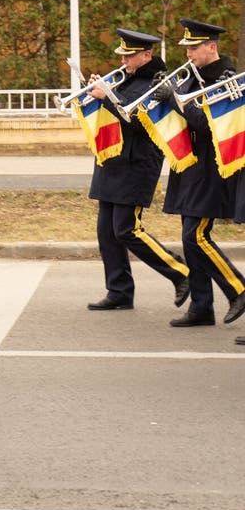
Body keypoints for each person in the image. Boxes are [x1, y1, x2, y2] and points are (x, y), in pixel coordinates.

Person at [86, 28, 190, 311]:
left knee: (126, 229)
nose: (123, 62)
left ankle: (180, 272)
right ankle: (119, 291)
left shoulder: (158, 83)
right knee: (106, 231)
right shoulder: (125, 79)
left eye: (129, 57)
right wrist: (100, 91)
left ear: (147, 55)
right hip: (113, 161)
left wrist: (105, 98)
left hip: (137, 164)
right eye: (122, 56)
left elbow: (141, 122)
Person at [160, 18, 245, 327]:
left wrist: (174, 100)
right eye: (186, 49)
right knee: (189, 238)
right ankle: (201, 306)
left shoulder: (226, 79)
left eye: (194, 48)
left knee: (195, 236)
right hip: (190, 167)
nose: (188, 55)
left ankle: (238, 288)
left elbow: (210, 126)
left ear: (212, 47)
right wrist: (163, 101)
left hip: (212, 168)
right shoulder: (192, 77)